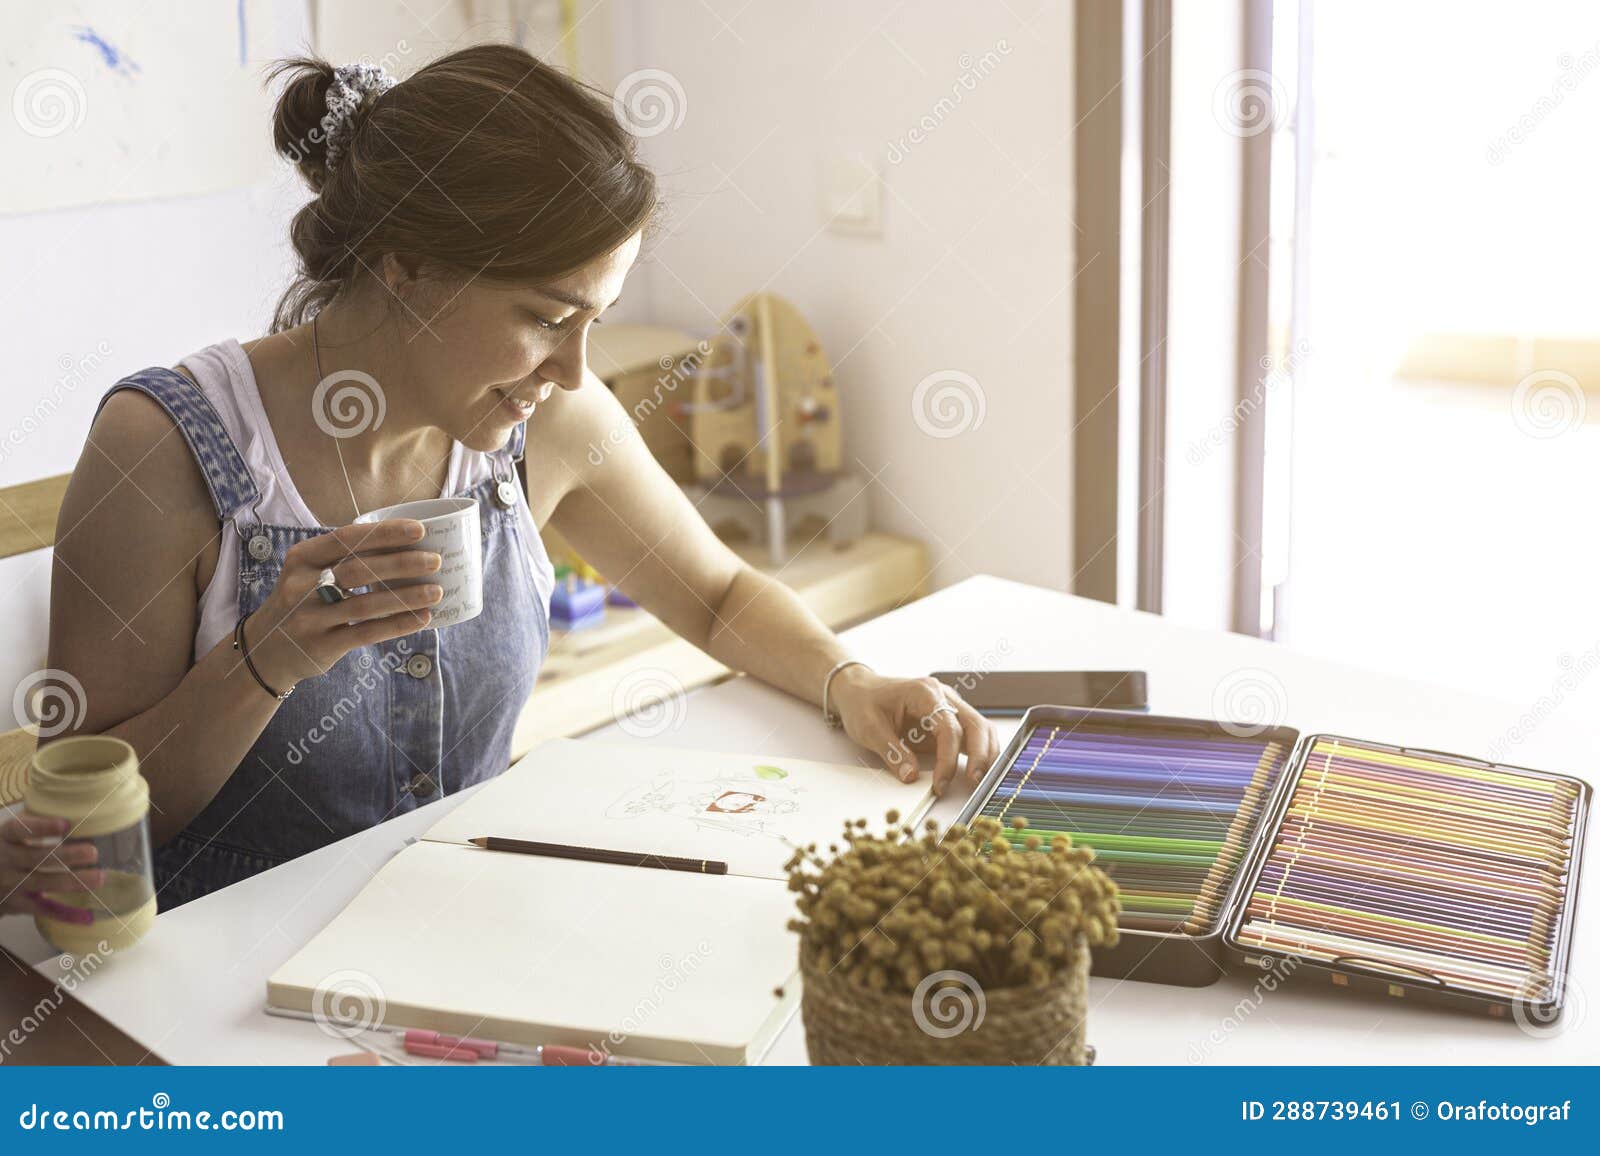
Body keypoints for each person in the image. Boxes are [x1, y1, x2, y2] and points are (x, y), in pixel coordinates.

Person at [2, 45, 997, 918]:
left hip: (468, 929)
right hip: (213, 1001)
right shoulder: (167, 445)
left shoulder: (545, 418)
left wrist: (849, 680)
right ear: (405, 267)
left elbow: (718, 592)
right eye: (547, 318)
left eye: (593, 323)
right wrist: (262, 661)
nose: (573, 372)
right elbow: (87, 833)